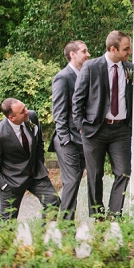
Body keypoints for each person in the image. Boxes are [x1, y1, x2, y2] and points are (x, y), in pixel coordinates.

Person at [72, 30, 134, 217]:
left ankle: (114, 215)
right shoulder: (91, 67)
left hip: (121, 129)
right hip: (95, 130)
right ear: (113, 49)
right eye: (126, 48)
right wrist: (81, 125)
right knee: (95, 175)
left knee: (123, 172)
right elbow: (78, 99)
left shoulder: (130, 68)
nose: (129, 52)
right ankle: (97, 216)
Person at [0, 98, 61, 220]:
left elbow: (39, 142)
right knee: (7, 219)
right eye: (22, 111)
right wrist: (3, 185)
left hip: (35, 175)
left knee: (53, 202)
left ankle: (44, 235)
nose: (27, 112)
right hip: (12, 180)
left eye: (25, 107)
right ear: (12, 118)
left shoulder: (31, 117)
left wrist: (39, 163)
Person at [52, 39, 91, 221]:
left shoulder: (86, 75)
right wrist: (65, 139)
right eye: (84, 51)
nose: (88, 54)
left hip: (83, 139)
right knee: (71, 181)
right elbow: (59, 111)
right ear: (73, 54)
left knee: (77, 181)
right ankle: (65, 227)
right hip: (68, 141)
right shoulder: (63, 77)